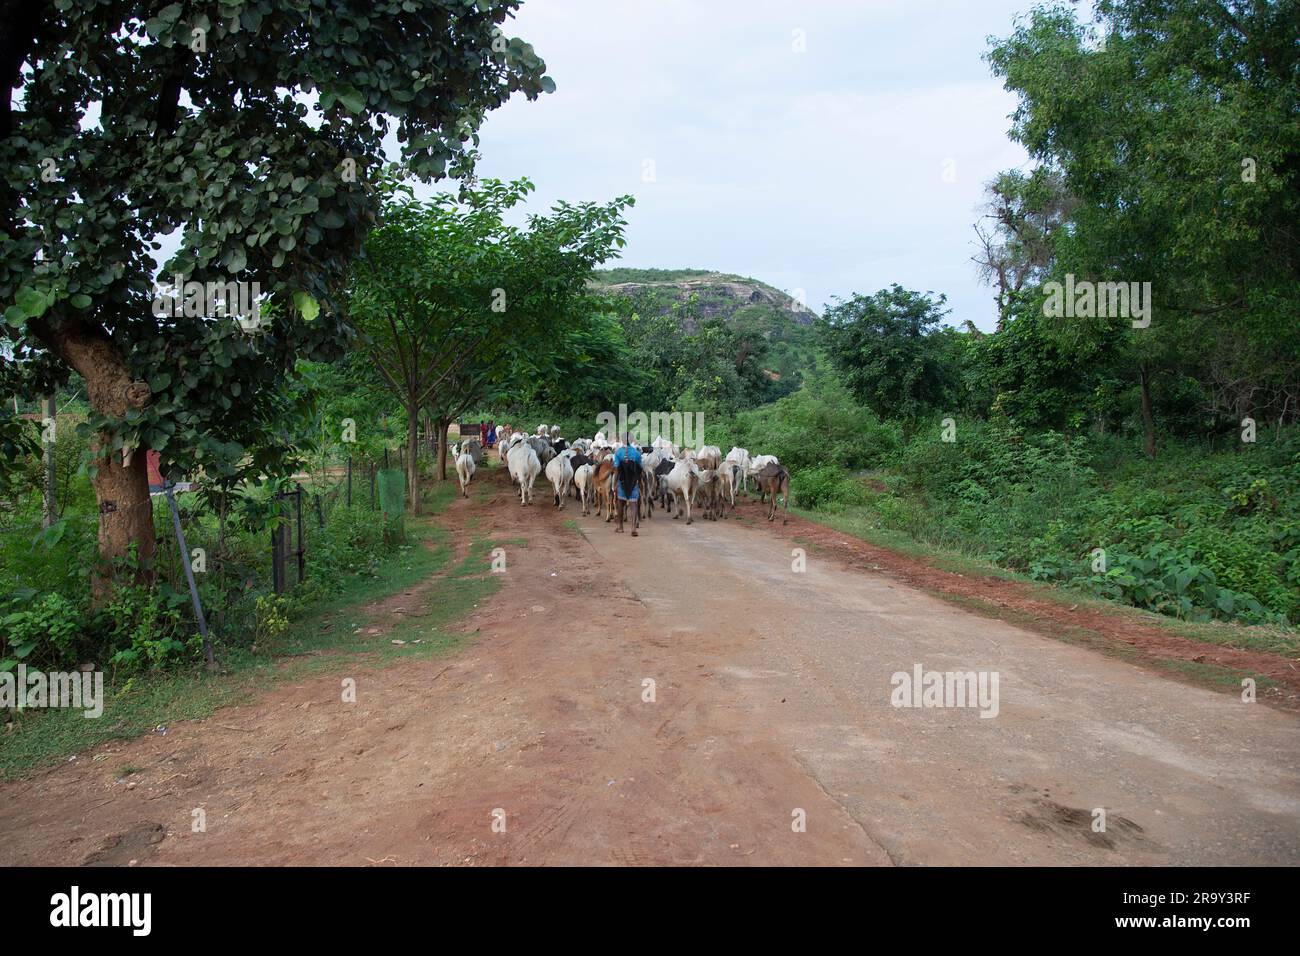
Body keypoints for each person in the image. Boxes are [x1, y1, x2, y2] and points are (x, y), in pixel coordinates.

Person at [612, 433, 643, 536]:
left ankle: (620, 527)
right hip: (633, 482)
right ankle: (633, 528)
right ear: (632, 440)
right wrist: (639, 481)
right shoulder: (637, 453)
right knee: (634, 504)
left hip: (622, 481)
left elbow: (616, 469)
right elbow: (640, 469)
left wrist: (614, 483)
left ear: (622, 440)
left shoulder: (618, 452)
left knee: (620, 503)